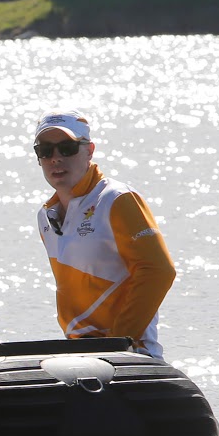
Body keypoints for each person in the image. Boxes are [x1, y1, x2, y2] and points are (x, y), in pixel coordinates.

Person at [32, 110, 175, 358]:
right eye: (45, 150)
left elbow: (159, 271)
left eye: (67, 148)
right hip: (80, 355)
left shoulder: (117, 199)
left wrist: (118, 344)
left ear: (89, 151)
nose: (56, 158)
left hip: (129, 355)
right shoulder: (46, 216)